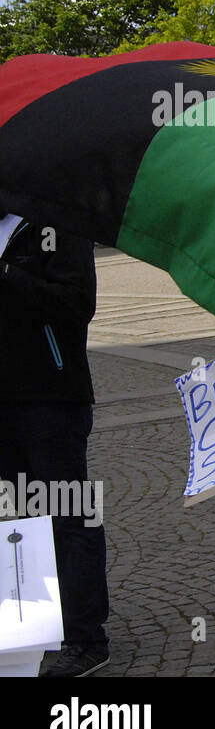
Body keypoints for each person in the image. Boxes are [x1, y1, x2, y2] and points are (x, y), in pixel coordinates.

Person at [0, 216, 110, 677]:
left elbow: (76, 303)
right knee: (14, 516)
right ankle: (28, 631)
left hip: (50, 396)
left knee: (68, 516)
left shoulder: (55, 224)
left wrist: (6, 276)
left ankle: (86, 639)